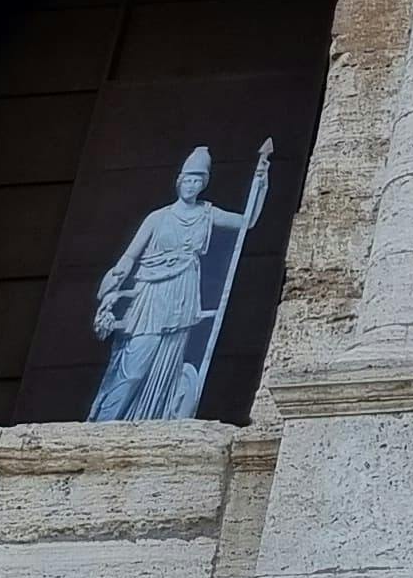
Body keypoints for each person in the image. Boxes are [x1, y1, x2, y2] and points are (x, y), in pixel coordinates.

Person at [87, 137, 273, 421]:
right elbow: (130, 256)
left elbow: (246, 223)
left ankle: (150, 418)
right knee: (134, 365)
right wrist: (115, 278)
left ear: (204, 184)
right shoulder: (158, 218)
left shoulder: (207, 215)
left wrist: (260, 182)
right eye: (188, 180)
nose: (192, 186)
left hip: (182, 293)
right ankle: (104, 422)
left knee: (168, 365)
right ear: (179, 181)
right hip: (150, 294)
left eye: (198, 181)